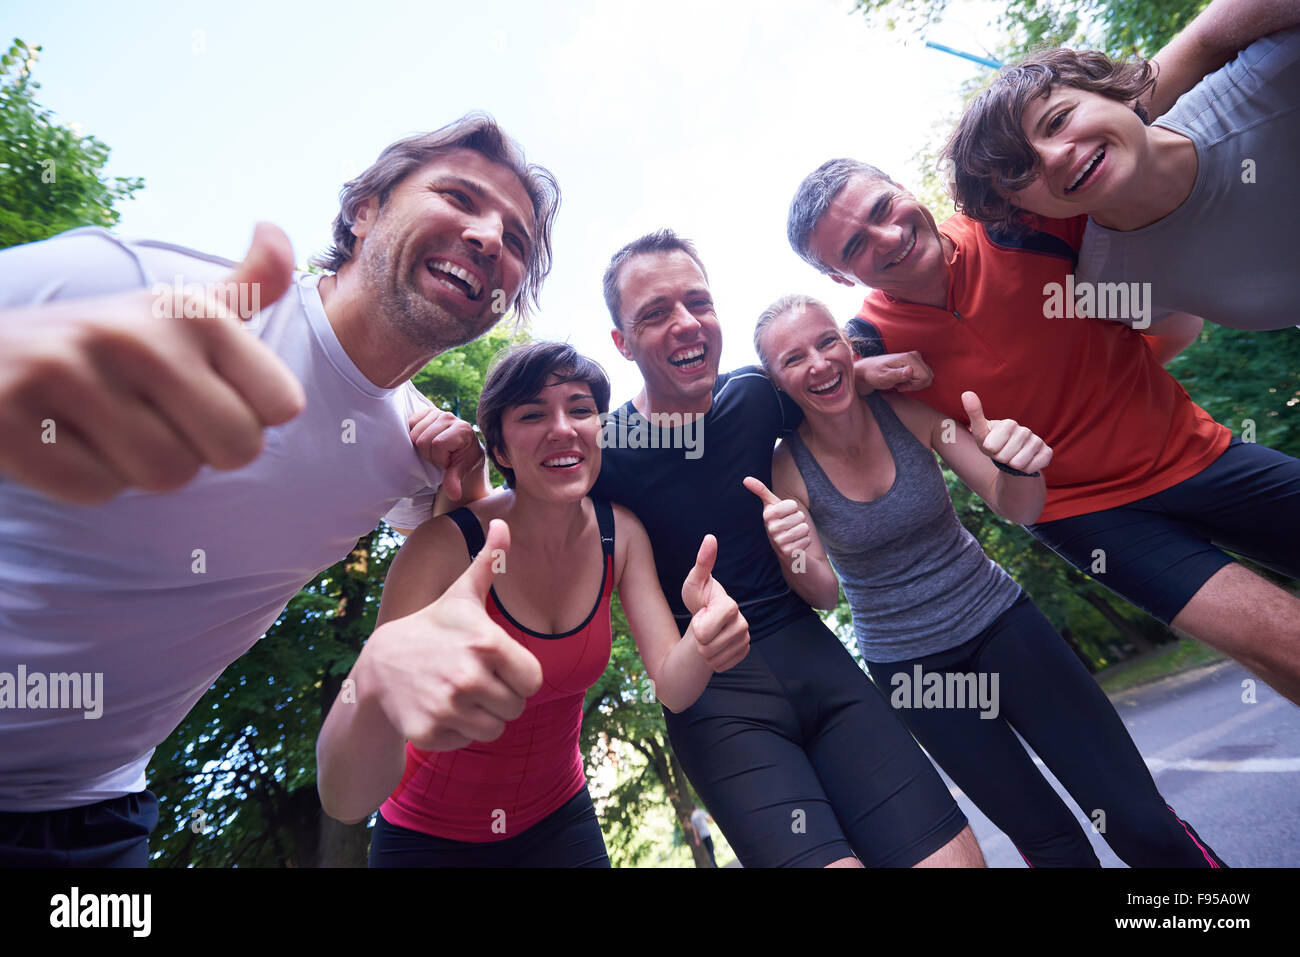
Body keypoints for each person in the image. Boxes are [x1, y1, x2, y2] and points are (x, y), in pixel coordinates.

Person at [0, 113, 562, 866]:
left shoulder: (413, 450)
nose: (490, 237)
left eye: (517, 240)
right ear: (364, 210)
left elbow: (442, 542)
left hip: (93, 821)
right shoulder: (151, 290)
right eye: (458, 197)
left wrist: (467, 481)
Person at [785, 155, 1300, 702]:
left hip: (1192, 449)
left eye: (883, 208)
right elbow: (779, 400)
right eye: (854, 247)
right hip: (1086, 517)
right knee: (1278, 642)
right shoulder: (867, 341)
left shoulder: (1021, 222)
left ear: (903, 188)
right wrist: (857, 372)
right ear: (841, 276)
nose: (888, 237)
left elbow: (1154, 207)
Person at [750, 294, 1227, 867]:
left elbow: (1013, 504)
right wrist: (795, 554)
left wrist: (1020, 468)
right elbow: (824, 595)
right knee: (1052, 845)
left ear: (848, 346)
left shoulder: (907, 411)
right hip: (912, 671)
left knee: (1137, 818)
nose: (819, 363)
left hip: (1001, 624)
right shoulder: (786, 467)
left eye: (827, 342)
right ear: (776, 382)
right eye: (793, 358)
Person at [591, 229, 985, 868]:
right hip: (717, 702)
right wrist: (457, 476)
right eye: (655, 313)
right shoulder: (600, 455)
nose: (687, 324)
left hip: (817, 662)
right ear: (622, 342)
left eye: (698, 302)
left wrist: (877, 370)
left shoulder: (754, 397)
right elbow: (518, 510)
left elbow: (826, 382)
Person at [316, 341, 749, 867]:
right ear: (499, 450)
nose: (563, 428)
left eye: (581, 409)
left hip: (560, 821)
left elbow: (674, 689)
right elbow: (345, 800)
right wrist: (374, 676)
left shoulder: (622, 534)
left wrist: (704, 640)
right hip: (427, 838)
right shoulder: (444, 546)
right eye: (532, 413)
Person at [943, 19, 1300, 331]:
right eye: (1019, 171)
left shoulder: (1276, 73)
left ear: (1110, 91)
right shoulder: (1109, 288)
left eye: (1057, 120)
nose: (1053, 158)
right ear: (1020, 208)